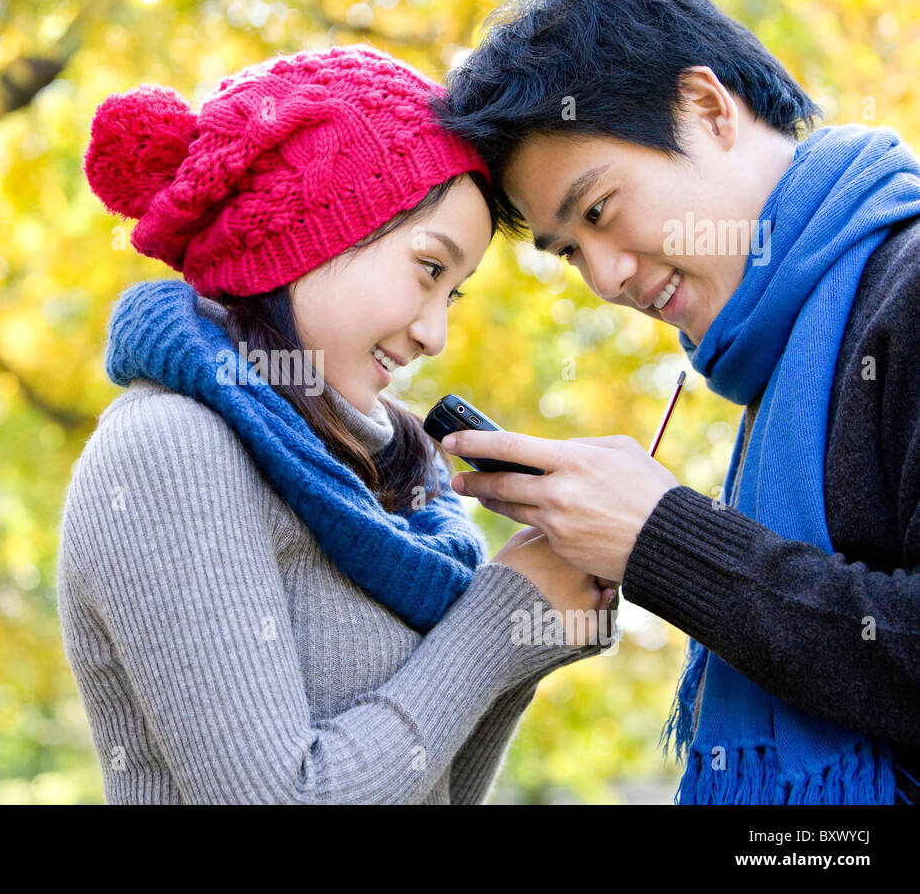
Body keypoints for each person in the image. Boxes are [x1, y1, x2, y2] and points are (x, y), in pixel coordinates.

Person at [56, 44, 617, 804]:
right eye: (428, 269)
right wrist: (502, 615)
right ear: (307, 233)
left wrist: (541, 624)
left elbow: (436, 790)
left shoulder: (390, 477)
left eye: (454, 294)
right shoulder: (171, 447)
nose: (433, 333)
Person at [433, 0, 920, 804]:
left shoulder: (906, 291)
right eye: (570, 252)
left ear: (707, 108)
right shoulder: (778, 361)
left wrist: (662, 540)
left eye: (598, 213)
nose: (607, 277)